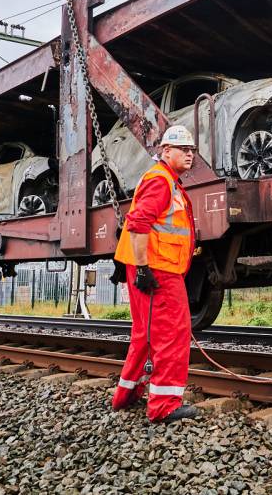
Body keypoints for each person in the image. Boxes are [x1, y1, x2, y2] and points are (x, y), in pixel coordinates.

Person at [111, 125, 200, 422]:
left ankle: (126, 394)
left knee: (145, 335)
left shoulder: (166, 180)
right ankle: (164, 406)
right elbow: (137, 224)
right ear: (166, 151)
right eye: (183, 149)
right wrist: (145, 269)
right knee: (172, 335)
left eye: (192, 150)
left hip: (154, 266)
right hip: (157, 269)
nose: (190, 154)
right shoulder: (161, 181)